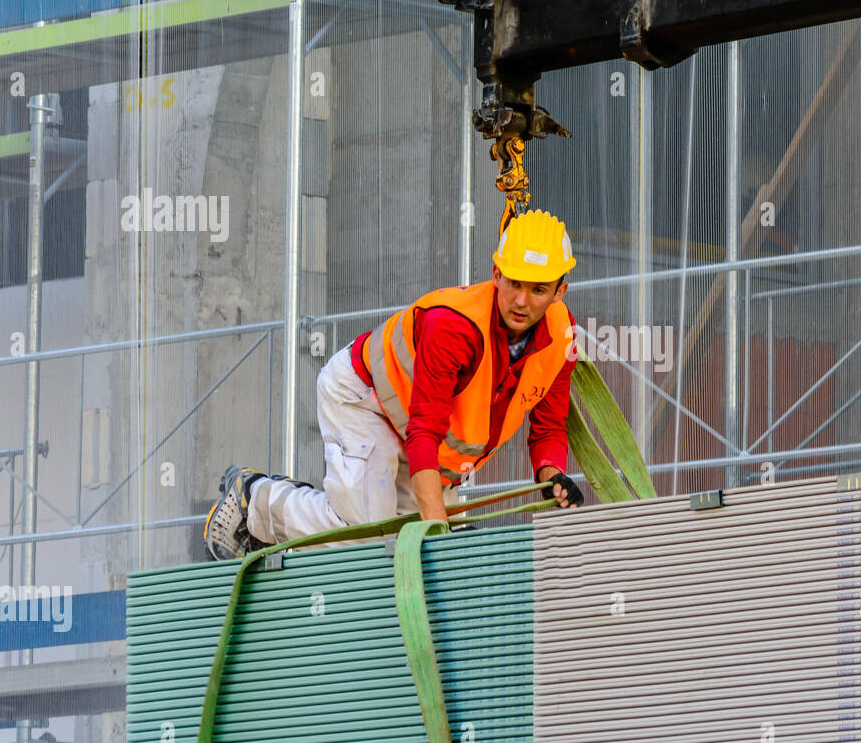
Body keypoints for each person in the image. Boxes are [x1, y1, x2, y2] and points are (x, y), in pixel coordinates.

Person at [202, 208, 586, 559]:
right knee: (370, 535)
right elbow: (423, 431)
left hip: (420, 438)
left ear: (559, 292)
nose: (522, 301)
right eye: (515, 283)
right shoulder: (455, 326)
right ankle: (254, 500)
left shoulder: (560, 334)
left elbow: (548, 427)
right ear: (496, 273)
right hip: (364, 398)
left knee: (400, 540)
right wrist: (438, 531)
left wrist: (552, 478)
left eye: (538, 290)